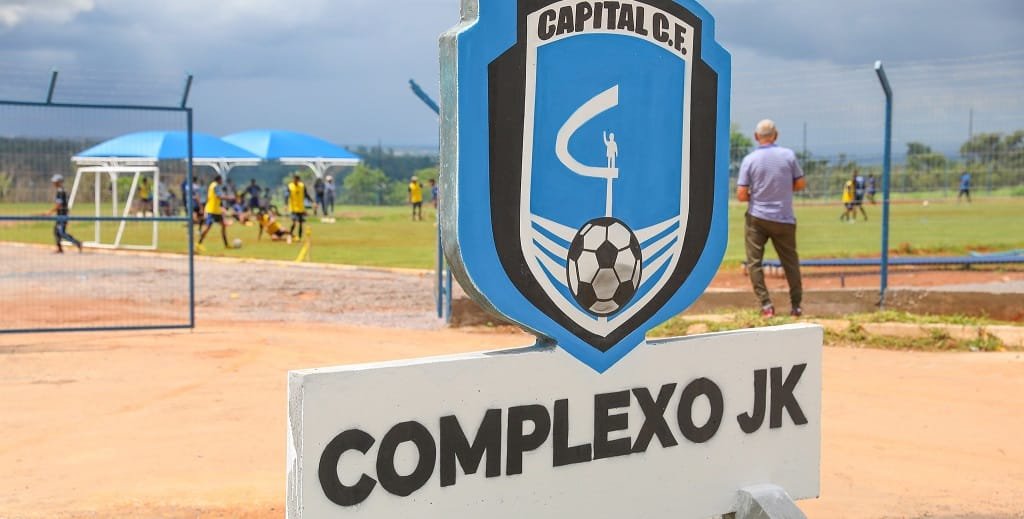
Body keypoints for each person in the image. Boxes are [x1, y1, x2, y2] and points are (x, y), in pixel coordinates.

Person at [737, 119, 806, 318]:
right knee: (790, 262)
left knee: (754, 262)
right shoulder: (788, 156)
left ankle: (766, 305)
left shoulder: (749, 160)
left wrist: (758, 195)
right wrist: (782, 191)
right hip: (784, 218)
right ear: (776, 135)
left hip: (757, 217)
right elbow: (800, 184)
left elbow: (741, 194)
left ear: (756, 137)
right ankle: (796, 306)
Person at [46, 174, 82, 254]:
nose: (53, 183)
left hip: (62, 215)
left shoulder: (61, 192)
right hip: (60, 215)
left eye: (55, 182)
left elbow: (59, 205)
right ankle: (59, 248)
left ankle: (77, 243)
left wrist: (50, 212)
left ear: (59, 182)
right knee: (56, 231)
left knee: (61, 232)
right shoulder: (61, 191)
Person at [198, 174, 229, 249]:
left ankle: (226, 245)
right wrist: (230, 198)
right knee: (208, 227)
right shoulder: (215, 186)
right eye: (221, 180)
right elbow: (219, 196)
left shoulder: (212, 185)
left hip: (216, 210)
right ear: (219, 179)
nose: (222, 181)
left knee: (223, 225)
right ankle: (199, 243)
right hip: (212, 210)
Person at [288, 174, 314, 239]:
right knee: (294, 223)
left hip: (300, 208)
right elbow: (286, 195)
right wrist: (285, 204)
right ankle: (290, 235)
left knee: (300, 223)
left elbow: (306, 194)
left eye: (297, 180)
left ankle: (299, 237)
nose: (295, 181)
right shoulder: (290, 186)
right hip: (293, 208)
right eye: (294, 179)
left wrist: (312, 202)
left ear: (298, 180)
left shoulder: (302, 186)